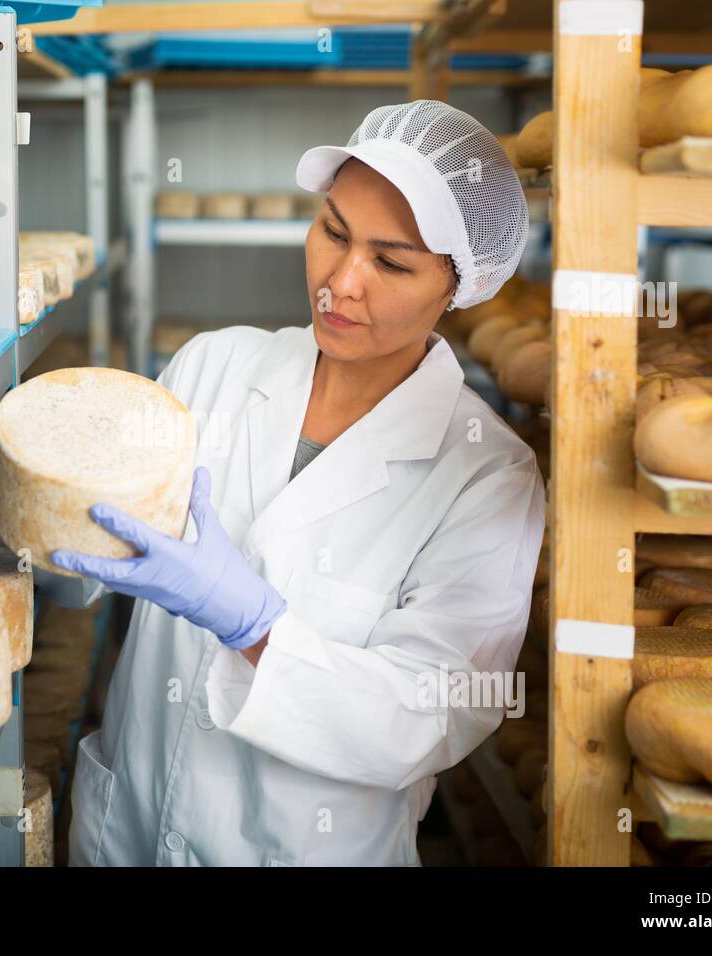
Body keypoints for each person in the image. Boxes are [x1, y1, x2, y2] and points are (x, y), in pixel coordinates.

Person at [43, 100, 544, 866]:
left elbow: (429, 717)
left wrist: (254, 627)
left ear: (460, 284)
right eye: (333, 232)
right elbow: (91, 551)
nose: (340, 282)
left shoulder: (486, 473)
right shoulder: (213, 366)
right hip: (131, 828)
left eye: (392, 261)